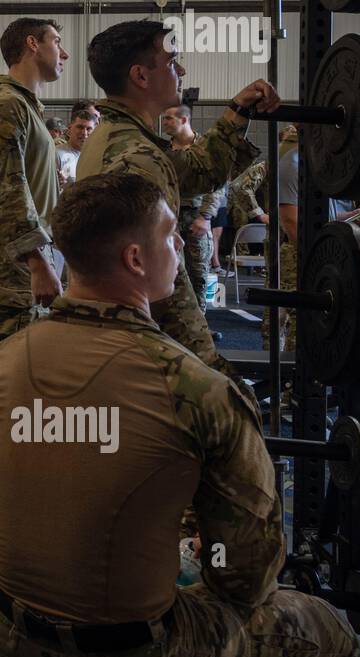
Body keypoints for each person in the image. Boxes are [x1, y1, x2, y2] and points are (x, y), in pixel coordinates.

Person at [0, 172, 358, 657]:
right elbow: (248, 577)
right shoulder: (202, 390)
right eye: (170, 232)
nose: (180, 243)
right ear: (135, 259)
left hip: (9, 633)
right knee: (328, 632)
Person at [76, 20, 277, 388]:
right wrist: (204, 366)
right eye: (171, 62)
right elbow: (156, 279)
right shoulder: (135, 155)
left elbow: (201, 171)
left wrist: (239, 110)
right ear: (140, 75)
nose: (181, 70)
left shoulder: (129, 140)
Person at [0, 18, 67, 534]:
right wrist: (37, 261)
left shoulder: (25, 107)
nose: (62, 53)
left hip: (24, 263)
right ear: (32, 44)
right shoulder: (6, 106)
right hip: (15, 268)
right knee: (10, 392)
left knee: (22, 389)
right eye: (56, 41)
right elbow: (3, 192)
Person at [263, 125, 356, 352]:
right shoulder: (292, 162)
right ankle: (288, 381)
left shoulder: (320, 164)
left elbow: (320, 212)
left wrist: (351, 217)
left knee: (312, 320)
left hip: (318, 248)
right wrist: (314, 257)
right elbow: (291, 220)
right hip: (296, 251)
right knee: (294, 319)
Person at [160, 103, 223, 311]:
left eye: (169, 118)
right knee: (170, 272)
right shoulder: (163, 150)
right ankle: (177, 326)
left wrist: (205, 216)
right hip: (169, 217)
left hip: (197, 216)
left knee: (198, 274)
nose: (164, 122)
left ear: (184, 120)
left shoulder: (205, 148)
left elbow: (219, 184)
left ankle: (200, 325)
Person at [55, 108, 96, 188]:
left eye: (89, 129)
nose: (84, 133)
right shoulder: (57, 154)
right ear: (70, 128)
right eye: (80, 127)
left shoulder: (97, 156)